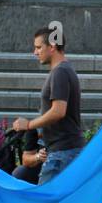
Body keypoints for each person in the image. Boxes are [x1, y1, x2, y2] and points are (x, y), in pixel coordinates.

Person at [13, 26, 85, 184]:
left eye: (38, 47)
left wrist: (29, 124)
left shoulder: (60, 72)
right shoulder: (64, 70)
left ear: (52, 46)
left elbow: (58, 111)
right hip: (65, 152)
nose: (35, 52)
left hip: (62, 154)